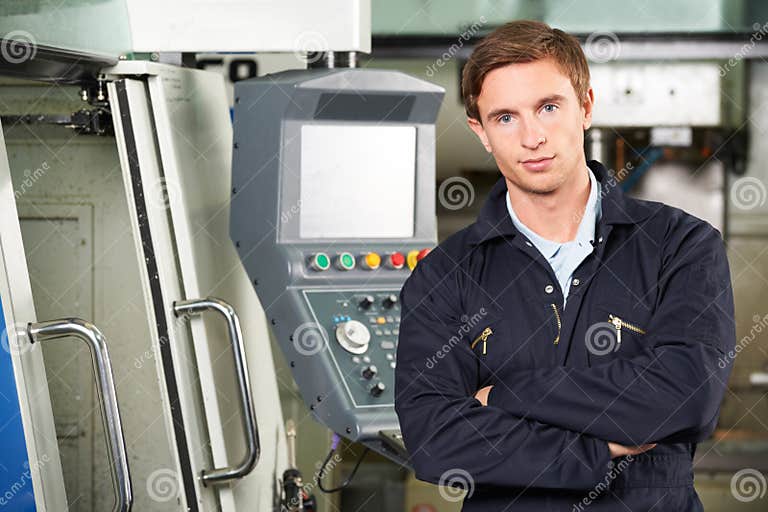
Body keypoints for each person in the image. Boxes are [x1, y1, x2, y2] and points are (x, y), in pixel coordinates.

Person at [394, 19, 735, 511]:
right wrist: (594, 452)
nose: (532, 137)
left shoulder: (681, 247)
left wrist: (503, 397)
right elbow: (435, 440)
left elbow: (687, 397)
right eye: (505, 118)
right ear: (481, 132)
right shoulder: (444, 276)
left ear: (586, 107)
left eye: (548, 108)